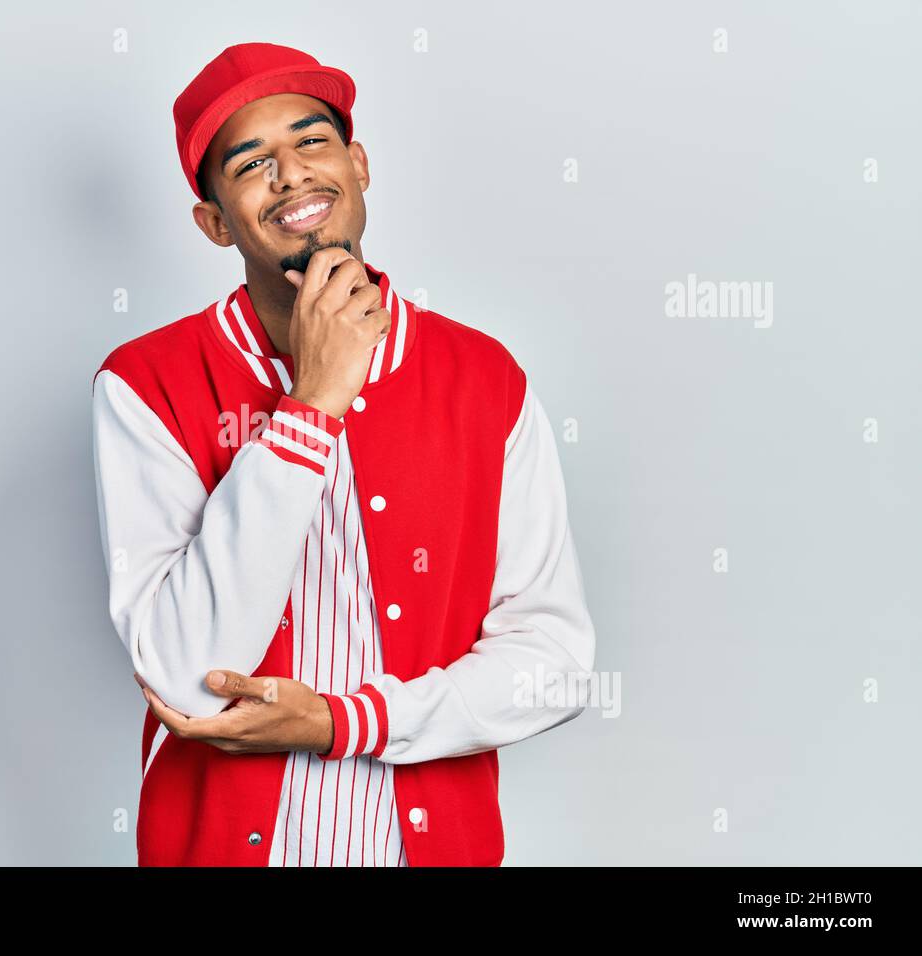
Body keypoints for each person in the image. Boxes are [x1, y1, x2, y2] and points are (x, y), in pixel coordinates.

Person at [90, 42, 596, 866]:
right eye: (250, 162)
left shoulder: (485, 380)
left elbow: (554, 665)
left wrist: (341, 722)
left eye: (312, 141)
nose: (290, 174)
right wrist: (312, 404)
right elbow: (187, 674)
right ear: (215, 221)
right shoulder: (146, 385)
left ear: (358, 166)